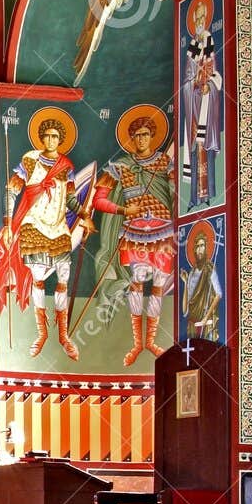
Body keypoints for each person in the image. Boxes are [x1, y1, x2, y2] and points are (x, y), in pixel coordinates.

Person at [91, 110, 176, 366]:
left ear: (153, 137)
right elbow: (99, 200)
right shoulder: (120, 167)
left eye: (146, 135)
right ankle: (137, 343)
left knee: (159, 285)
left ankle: (151, 340)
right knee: (137, 283)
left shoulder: (165, 163)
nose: (141, 140)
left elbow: (178, 188)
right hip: (134, 231)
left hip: (163, 231)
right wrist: (124, 210)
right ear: (131, 139)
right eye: (137, 136)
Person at [0, 113, 82, 359]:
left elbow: (72, 200)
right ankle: (42, 333)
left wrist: (84, 215)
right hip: (33, 226)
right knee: (38, 280)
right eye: (46, 135)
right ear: (41, 138)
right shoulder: (30, 161)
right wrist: (7, 223)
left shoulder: (66, 167)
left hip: (58, 229)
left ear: (61, 139)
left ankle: (63, 336)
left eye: (55, 136)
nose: (51, 139)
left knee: (63, 280)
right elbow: (11, 190)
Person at [180, 0, 222, 210]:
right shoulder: (192, 48)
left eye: (203, 17)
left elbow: (215, 74)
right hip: (194, 105)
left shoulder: (209, 42)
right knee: (195, 149)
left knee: (205, 147)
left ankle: (208, 195)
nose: (200, 21)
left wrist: (209, 87)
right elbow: (187, 79)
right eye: (197, 17)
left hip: (206, 103)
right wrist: (193, 85)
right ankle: (195, 198)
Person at [182, 224, 222, 342]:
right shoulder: (191, 273)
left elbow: (219, 294)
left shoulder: (210, 269)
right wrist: (185, 283)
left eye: (202, 246)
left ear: (206, 248)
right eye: (198, 246)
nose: (200, 249)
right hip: (192, 324)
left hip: (205, 323)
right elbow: (185, 310)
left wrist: (206, 317)